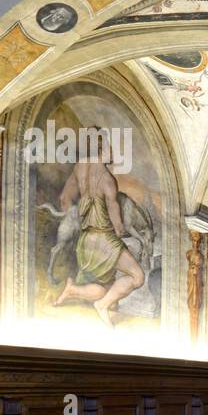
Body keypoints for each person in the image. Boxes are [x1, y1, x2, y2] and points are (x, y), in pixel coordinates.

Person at [53, 129, 146, 327]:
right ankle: (102, 305)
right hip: (104, 238)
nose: (113, 150)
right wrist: (120, 230)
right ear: (102, 147)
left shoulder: (79, 167)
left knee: (104, 287)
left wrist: (80, 219)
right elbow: (115, 216)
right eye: (109, 145)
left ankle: (72, 290)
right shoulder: (106, 179)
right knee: (137, 277)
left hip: (85, 241)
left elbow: (64, 199)